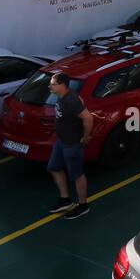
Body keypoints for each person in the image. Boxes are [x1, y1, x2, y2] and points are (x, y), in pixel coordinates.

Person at [47, 73, 94, 220]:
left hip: (72, 144)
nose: (50, 86)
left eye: (53, 84)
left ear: (62, 85)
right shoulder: (62, 97)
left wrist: (85, 137)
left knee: (77, 175)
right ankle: (66, 200)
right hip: (61, 141)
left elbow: (88, 118)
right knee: (54, 168)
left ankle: (83, 205)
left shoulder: (71, 100)